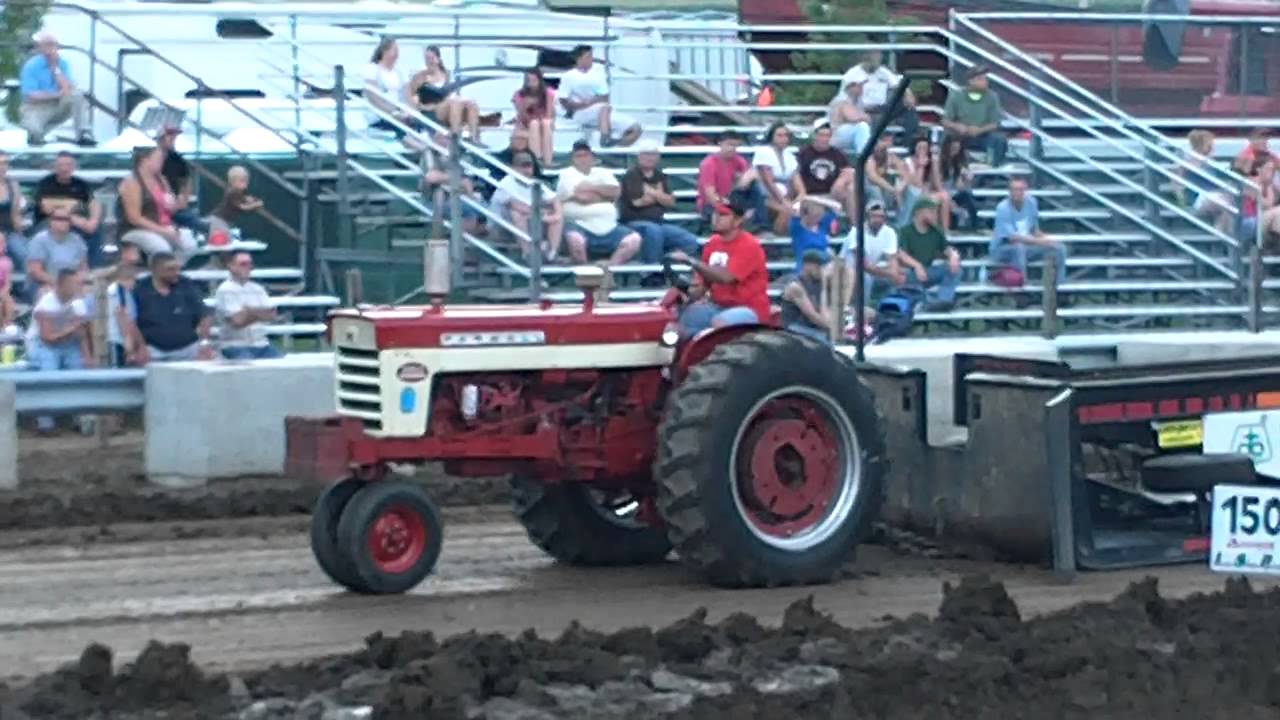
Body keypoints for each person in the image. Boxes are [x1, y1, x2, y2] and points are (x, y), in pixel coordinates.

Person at [669, 193, 770, 337]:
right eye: (714, 213)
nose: (715, 218)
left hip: (749, 309)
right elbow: (703, 283)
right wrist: (686, 294)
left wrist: (690, 261)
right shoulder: (713, 243)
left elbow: (726, 278)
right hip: (718, 306)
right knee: (685, 319)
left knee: (720, 322)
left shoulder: (749, 245)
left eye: (722, 214)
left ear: (738, 221)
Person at [27, 269, 94, 432]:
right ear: (62, 285)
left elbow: (81, 334)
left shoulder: (78, 303)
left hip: (68, 343)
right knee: (48, 374)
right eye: (75, 284)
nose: (79, 287)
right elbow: (46, 337)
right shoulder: (46, 304)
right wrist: (71, 329)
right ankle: (45, 423)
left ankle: (80, 420)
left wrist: (87, 357)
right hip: (41, 344)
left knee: (79, 373)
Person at [618, 139, 700, 268]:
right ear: (639, 156)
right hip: (633, 223)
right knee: (653, 231)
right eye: (646, 154)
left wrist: (652, 193)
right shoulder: (631, 176)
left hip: (658, 222)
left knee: (689, 241)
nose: (650, 158)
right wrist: (660, 195)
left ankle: (667, 263)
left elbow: (671, 202)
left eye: (653, 154)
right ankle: (651, 271)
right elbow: (638, 202)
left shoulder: (660, 176)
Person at [557, 141, 641, 265]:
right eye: (578, 156)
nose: (583, 159)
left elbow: (616, 192)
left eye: (586, 155)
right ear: (572, 159)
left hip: (610, 226)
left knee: (634, 239)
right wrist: (605, 196)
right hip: (580, 225)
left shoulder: (603, 172)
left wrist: (591, 188)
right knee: (575, 240)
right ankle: (587, 273)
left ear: (592, 157)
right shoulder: (566, 174)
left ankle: (609, 269)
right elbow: (583, 198)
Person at [124, 252, 215, 362]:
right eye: (170, 269)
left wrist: (204, 343)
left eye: (177, 268)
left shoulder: (186, 285)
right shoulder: (140, 290)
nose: (176, 272)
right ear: (155, 270)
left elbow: (204, 316)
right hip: (153, 350)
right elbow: (131, 322)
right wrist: (140, 347)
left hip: (188, 349)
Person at [117, 146, 198, 264]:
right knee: (161, 249)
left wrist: (175, 202)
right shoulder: (132, 182)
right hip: (136, 229)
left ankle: (173, 270)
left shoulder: (161, 180)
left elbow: (173, 208)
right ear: (145, 160)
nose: (162, 162)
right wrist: (163, 231)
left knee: (190, 245)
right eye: (158, 158)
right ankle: (159, 272)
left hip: (164, 225)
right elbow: (134, 219)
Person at [18, 31, 94, 147]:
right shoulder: (31, 66)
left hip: (58, 105)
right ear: (40, 47)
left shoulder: (63, 63)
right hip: (36, 107)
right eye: (47, 45)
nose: (50, 48)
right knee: (34, 130)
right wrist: (57, 94)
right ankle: (37, 137)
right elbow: (31, 96)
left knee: (77, 95)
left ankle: (83, 133)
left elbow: (67, 89)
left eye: (53, 45)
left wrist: (55, 68)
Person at [558, 45, 641, 148]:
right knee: (604, 107)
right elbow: (563, 99)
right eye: (588, 56)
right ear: (578, 58)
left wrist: (591, 101)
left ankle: (612, 144)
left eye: (591, 56)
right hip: (580, 113)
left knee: (636, 128)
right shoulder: (569, 76)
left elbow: (605, 96)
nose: (591, 59)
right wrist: (580, 105)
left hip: (601, 112)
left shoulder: (598, 75)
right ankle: (605, 136)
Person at [991, 176, 1067, 288]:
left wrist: (1048, 239)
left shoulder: (1031, 203)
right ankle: (1023, 287)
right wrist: (1039, 241)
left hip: (1028, 245)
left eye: (1020, 189)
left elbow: (1034, 230)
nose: (1017, 192)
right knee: (1018, 248)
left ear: (1025, 190)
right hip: (1003, 248)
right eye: (1014, 189)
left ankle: (1058, 286)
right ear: (1009, 191)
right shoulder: (1002, 208)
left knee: (1059, 248)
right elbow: (1012, 238)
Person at [32, 152, 102, 266]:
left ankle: (91, 271)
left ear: (74, 167)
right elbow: (47, 207)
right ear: (55, 166)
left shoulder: (81, 184)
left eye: (68, 165)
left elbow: (94, 203)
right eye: (61, 165)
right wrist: (73, 219)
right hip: (49, 223)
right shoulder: (45, 183)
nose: (64, 168)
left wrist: (93, 221)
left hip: (77, 223)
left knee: (95, 233)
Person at [835, 52, 921, 145]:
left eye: (878, 56)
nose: (877, 58)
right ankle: (877, 146)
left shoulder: (883, 71)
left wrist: (907, 93)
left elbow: (898, 85)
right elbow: (842, 102)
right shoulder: (852, 75)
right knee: (875, 119)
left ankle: (908, 145)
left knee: (909, 109)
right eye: (874, 56)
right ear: (865, 57)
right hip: (863, 111)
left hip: (885, 109)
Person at [491, 150, 563, 261]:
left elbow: (554, 199)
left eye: (529, 166)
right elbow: (516, 206)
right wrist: (543, 215)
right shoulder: (506, 182)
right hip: (502, 228)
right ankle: (528, 253)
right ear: (513, 168)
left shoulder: (534, 182)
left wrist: (557, 215)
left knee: (557, 217)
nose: (526, 170)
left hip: (529, 221)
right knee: (517, 214)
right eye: (522, 167)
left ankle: (552, 254)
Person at [895, 197, 961, 308]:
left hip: (927, 271)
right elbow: (900, 254)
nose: (935, 215)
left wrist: (952, 256)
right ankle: (927, 302)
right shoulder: (905, 231)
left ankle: (943, 301)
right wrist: (917, 266)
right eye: (931, 212)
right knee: (908, 276)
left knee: (954, 269)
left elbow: (946, 248)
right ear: (919, 212)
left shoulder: (936, 231)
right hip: (909, 273)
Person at [215, 251, 281, 360]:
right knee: (247, 366)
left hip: (262, 344)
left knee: (283, 367)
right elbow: (237, 322)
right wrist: (259, 313)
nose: (248, 267)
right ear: (231, 266)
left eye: (250, 264)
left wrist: (248, 312)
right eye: (243, 264)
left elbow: (272, 315)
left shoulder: (258, 289)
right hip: (235, 345)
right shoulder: (225, 289)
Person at [407, 45, 480, 141]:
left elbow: (449, 94)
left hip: (448, 106)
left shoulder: (447, 75)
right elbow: (413, 101)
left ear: (438, 59)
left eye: (431, 58)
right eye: (427, 59)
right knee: (455, 102)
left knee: (471, 103)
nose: (429, 62)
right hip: (431, 110)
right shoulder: (420, 77)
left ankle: (474, 138)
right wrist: (427, 106)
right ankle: (455, 137)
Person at [941, 65, 1006, 168]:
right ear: (971, 81)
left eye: (985, 78)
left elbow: (995, 123)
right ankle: (948, 170)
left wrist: (979, 130)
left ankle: (994, 170)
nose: (985, 81)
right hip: (960, 135)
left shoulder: (992, 97)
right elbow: (945, 121)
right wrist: (958, 126)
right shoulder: (956, 96)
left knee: (999, 140)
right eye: (980, 79)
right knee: (946, 138)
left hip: (982, 136)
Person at [840, 200, 901, 308]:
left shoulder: (889, 233)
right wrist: (890, 273)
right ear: (867, 217)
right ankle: (862, 311)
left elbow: (893, 261)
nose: (878, 219)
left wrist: (895, 274)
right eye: (874, 216)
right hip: (848, 271)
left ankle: (886, 311)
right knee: (866, 277)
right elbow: (863, 265)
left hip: (872, 271)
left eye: (881, 216)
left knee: (902, 275)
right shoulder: (856, 232)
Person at [696, 130, 762, 227]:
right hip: (711, 204)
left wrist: (747, 178)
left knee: (754, 185)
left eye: (736, 146)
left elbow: (752, 179)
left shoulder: (739, 161)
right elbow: (710, 195)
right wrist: (725, 205)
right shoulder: (708, 163)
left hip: (732, 200)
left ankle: (761, 227)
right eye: (730, 144)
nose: (732, 148)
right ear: (720, 143)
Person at [1178, 129, 1234, 235]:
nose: (1212, 147)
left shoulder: (1211, 163)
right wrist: (1181, 199)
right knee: (1226, 204)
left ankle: (1221, 229)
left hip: (1214, 195)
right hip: (1198, 198)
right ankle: (1220, 230)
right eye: (1210, 144)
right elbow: (1176, 182)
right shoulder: (1188, 163)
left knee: (1231, 197)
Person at [363, 36, 416, 144]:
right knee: (417, 142)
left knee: (423, 130)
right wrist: (393, 112)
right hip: (380, 116)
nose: (397, 54)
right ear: (384, 51)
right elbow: (374, 98)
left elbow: (408, 96)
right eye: (394, 50)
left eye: (397, 51)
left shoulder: (400, 72)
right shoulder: (372, 69)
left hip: (399, 114)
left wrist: (409, 111)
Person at [156, 125, 207, 235]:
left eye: (174, 137)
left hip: (174, 206)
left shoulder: (176, 158)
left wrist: (184, 199)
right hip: (156, 206)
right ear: (161, 138)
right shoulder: (152, 159)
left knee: (198, 223)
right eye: (169, 136)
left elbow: (187, 179)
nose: (173, 139)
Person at [752, 122, 800, 235]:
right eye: (779, 135)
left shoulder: (790, 156)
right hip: (765, 197)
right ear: (771, 137)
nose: (784, 139)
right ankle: (776, 236)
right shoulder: (764, 151)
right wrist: (784, 202)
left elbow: (798, 183)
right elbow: (768, 183)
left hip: (787, 196)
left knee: (805, 208)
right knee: (787, 210)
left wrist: (799, 199)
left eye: (786, 135)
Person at [25, 207, 88, 291]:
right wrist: (60, 284)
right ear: (50, 221)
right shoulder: (39, 240)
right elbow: (36, 272)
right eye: (59, 219)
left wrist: (76, 282)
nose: (64, 222)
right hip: (43, 284)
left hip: (72, 285)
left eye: (67, 219)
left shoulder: (77, 240)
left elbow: (83, 268)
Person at [780, 249, 836, 344]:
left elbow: (827, 313)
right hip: (795, 329)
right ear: (807, 265)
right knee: (824, 340)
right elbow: (814, 318)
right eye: (819, 267)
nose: (823, 271)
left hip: (814, 329)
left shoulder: (820, 282)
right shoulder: (795, 286)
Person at [898, 135, 952, 231]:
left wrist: (934, 165)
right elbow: (916, 185)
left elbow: (938, 185)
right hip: (911, 194)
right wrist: (921, 166)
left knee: (945, 196)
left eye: (925, 148)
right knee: (931, 201)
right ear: (914, 148)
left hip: (925, 192)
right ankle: (933, 231)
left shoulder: (930, 161)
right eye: (920, 147)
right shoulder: (907, 162)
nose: (922, 150)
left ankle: (944, 231)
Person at [793, 124, 854, 206]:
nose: (824, 139)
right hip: (809, 195)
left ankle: (856, 219)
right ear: (814, 136)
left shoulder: (838, 154)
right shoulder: (803, 153)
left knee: (851, 189)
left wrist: (841, 181)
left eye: (827, 136)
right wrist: (802, 192)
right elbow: (794, 174)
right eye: (821, 135)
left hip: (832, 194)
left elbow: (849, 171)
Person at [512, 67, 556, 166]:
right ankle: (537, 161)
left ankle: (547, 162)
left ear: (540, 80)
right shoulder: (519, 95)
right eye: (529, 81)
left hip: (544, 127)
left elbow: (549, 115)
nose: (532, 83)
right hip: (524, 127)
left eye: (534, 80)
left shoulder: (548, 93)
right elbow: (522, 118)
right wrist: (525, 106)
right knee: (534, 124)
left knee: (544, 123)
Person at [940, 135, 980, 230]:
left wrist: (966, 179)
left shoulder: (958, 163)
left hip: (955, 194)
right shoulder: (940, 162)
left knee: (967, 196)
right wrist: (949, 200)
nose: (955, 151)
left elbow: (959, 186)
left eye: (957, 149)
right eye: (953, 148)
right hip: (943, 195)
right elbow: (939, 185)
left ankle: (973, 227)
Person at [788, 197, 839, 271]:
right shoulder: (797, 228)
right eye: (815, 215)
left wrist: (817, 200)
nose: (818, 218)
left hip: (823, 265)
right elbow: (794, 208)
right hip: (805, 266)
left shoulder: (822, 226)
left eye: (819, 215)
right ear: (805, 215)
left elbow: (837, 207)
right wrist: (805, 200)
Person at [106, 259, 140, 367]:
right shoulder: (117, 291)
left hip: (127, 338)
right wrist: (129, 347)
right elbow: (121, 316)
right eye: (133, 279)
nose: (134, 283)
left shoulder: (127, 292)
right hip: (118, 339)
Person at [210, 165, 264, 232]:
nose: (246, 183)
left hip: (225, 221)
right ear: (233, 182)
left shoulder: (239, 192)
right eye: (242, 181)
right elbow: (243, 207)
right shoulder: (232, 192)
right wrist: (256, 204)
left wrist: (251, 200)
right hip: (219, 219)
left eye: (246, 180)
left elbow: (245, 199)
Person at [828, 78, 871, 156]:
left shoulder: (858, 100)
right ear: (851, 87)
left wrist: (864, 117)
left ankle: (865, 155)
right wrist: (864, 116)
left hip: (848, 135)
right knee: (862, 126)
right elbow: (853, 118)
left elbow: (866, 118)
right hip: (835, 134)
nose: (862, 88)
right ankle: (863, 156)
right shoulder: (842, 99)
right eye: (860, 86)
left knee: (865, 131)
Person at [0, 152, 27, 270]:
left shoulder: (13, 184)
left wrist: (20, 233)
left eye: (5, 163)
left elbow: (15, 213)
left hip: (9, 232)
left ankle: (23, 288)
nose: (2, 167)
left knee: (26, 256)